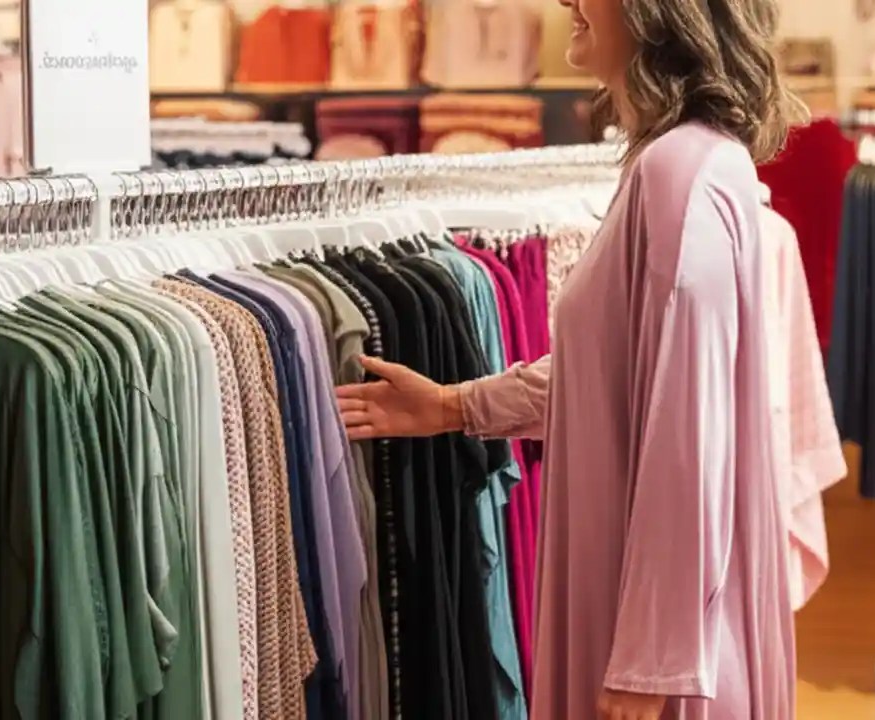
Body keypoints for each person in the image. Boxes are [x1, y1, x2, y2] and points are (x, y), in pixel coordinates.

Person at [335, 0, 807, 718]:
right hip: (654, 620)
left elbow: (689, 431)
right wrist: (454, 406)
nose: (566, 4)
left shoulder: (681, 173)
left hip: (662, 647)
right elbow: (620, 371)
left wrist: (651, 662)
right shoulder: (681, 162)